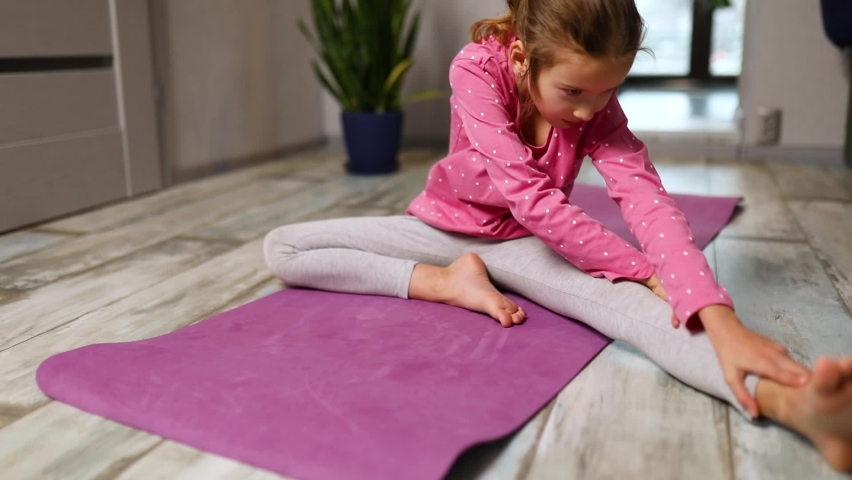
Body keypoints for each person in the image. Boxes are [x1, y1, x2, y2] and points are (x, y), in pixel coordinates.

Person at [264, 0, 852, 470]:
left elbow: (647, 200)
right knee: (284, 247)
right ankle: (447, 283)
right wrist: (644, 269)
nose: (589, 110)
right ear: (523, 58)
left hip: (526, 243)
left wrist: (714, 313)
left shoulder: (597, 109)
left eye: (609, 91)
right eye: (573, 92)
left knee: (643, 313)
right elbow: (531, 196)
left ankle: (793, 403)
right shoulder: (477, 69)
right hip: (440, 227)